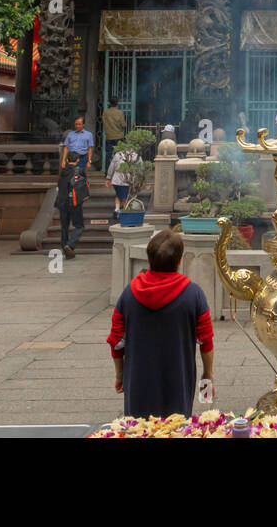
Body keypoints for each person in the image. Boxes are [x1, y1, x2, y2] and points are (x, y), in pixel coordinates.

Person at [107, 229, 214, 418]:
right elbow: (206, 341)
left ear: (149, 258)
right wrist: (207, 375)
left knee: (138, 430)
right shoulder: (194, 294)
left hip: (138, 383)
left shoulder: (129, 293)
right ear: (179, 261)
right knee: (176, 429)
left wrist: (120, 374)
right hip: (178, 384)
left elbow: (116, 341)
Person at [56, 154, 88, 259]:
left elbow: (59, 185)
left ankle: (65, 250)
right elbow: (84, 184)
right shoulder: (79, 171)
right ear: (78, 160)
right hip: (74, 201)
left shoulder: (63, 172)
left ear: (67, 160)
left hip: (61, 202)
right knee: (79, 225)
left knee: (64, 227)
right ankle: (70, 245)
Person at [106, 144, 142, 213]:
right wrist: (140, 179)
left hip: (117, 180)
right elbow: (141, 168)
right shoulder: (136, 155)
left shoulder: (118, 154)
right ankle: (124, 211)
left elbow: (112, 166)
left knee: (119, 194)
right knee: (126, 197)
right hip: (129, 180)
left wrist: (108, 177)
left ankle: (117, 209)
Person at [101, 97, 127, 168]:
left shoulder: (105, 112)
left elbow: (104, 122)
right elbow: (123, 124)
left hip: (109, 136)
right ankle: (118, 170)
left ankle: (107, 171)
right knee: (119, 155)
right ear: (117, 103)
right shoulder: (120, 112)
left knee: (108, 155)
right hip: (119, 136)